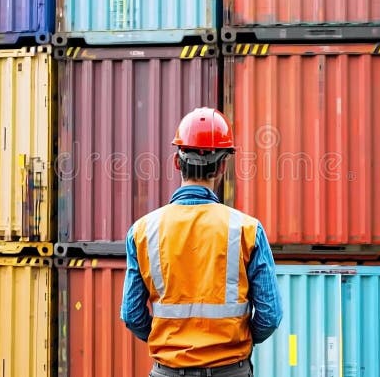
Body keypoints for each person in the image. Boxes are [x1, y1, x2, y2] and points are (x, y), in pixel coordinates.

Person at [121, 107, 283, 377]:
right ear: (222, 166)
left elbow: (132, 315)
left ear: (176, 162)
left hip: (169, 371)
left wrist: (171, 345)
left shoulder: (142, 231)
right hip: (231, 370)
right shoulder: (247, 230)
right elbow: (269, 315)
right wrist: (235, 344)